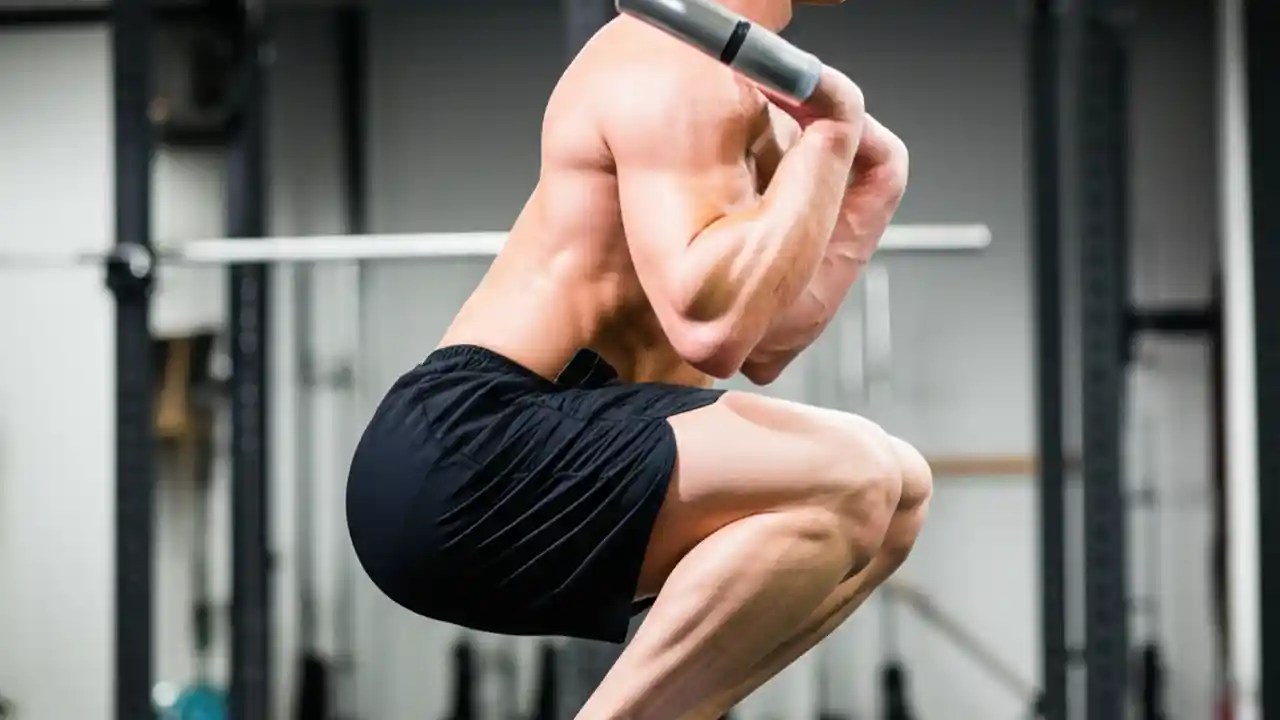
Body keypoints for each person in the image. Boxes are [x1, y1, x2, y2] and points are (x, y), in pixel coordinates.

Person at [345, 0, 932, 717]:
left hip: (568, 434)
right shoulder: (676, 60)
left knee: (899, 495)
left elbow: (767, 341)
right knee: (856, 471)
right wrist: (834, 133)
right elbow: (707, 328)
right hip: (477, 444)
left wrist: (869, 183)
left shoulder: (764, 103)